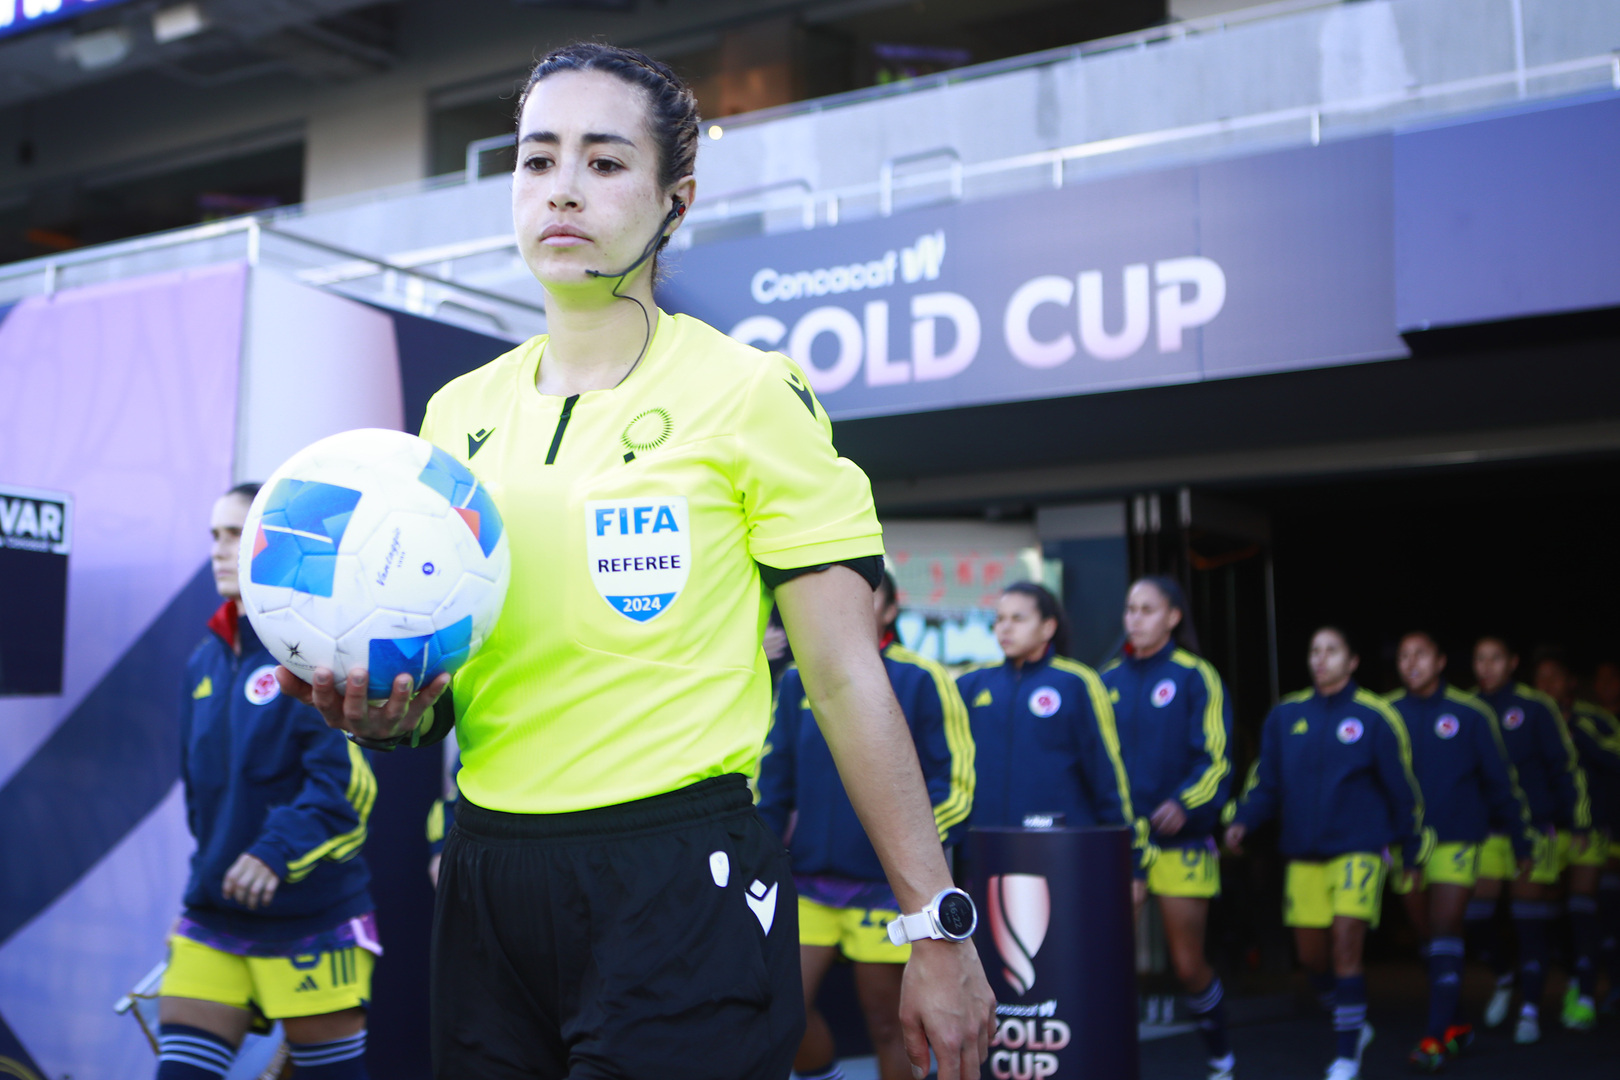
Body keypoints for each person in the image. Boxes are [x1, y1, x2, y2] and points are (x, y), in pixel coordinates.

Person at [276, 42, 995, 1080]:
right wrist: (396, 716)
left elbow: (845, 678)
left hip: (680, 878)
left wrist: (935, 922)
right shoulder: (454, 414)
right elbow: (454, 677)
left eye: (605, 162)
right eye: (537, 160)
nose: (562, 189)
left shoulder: (751, 393)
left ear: (675, 200)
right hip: (487, 877)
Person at [156, 483, 379, 1080]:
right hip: (213, 918)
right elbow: (203, 805)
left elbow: (348, 791)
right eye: (214, 535)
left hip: (313, 919)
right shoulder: (204, 660)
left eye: (235, 534)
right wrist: (205, 881)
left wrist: (274, 852)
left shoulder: (319, 651)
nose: (219, 549)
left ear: (273, 546)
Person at [758, 571, 974, 1080]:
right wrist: (760, 855)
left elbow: (956, 787)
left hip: (887, 890)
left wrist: (901, 853)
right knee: (778, 1009)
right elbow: (773, 784)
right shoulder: (796, 680)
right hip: (809, 885)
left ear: (891, 610)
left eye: (869, 597)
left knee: (889, 1025)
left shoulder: (923, 678)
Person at [1224, 626, 1429, 1080]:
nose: (1320, 658)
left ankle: (1346, 1055)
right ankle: (1351, 1020)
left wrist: (1412, 852)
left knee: (1345, 945)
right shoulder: (1286, 715)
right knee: (1312, 958)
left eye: (1332, 651)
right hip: (1303, 855)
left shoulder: (1375, 715)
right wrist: (1243, 819)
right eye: (1314, 650)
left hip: (1359, 851)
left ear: (1352, 661)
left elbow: (1402, 791)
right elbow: (1266, 782)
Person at [1100, 577, 1234, 1080]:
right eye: (1130, 608)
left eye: (1147, 609)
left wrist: (1185, 802)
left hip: (1183, 844)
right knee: (1110, 966)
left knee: (1187, 965)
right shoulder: (1105, 680)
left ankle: (1222, 1056)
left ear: (1173, 617)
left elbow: (1217, 760)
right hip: (1123, 847)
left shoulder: (1196, 676)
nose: (1134, 618)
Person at [1383, 631, 1536, 1071]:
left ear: (1440, 661)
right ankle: (1457, 1024)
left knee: (1445, 925)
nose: (1411, 662)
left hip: (1457, 840)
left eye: (1421, 654)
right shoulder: (1385, 713)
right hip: (1407, 845)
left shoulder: (1470, 713)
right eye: (1404, 655)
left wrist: (1521, 839)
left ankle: (1434, 1038)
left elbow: (1500, 782)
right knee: (1427, 939)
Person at [955, 582, 1155, 870]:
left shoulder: (1076, 683)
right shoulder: (970, 684)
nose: (1005, 628)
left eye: (1018, 618)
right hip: (983, 852)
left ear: (1048, 627)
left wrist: (1132, 857)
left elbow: (1106, 774)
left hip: (1060, 853)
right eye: (999, 619)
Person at [1466, 636, 1589, 1043]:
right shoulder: (1467, 708)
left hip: (1536, 828)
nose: (1487, 666)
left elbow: (1562, 765)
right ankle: (1506, 976)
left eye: (1495, 658)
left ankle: (1531, 1010)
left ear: (1512, 663)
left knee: (1529, 921)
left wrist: (1578, 821)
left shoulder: (1536, 707)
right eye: (1480, 659)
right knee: (1476, 916)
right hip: (1486, 829)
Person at [1531, 647, 1620, 1032]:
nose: (1546, 684)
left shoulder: (1595, 719)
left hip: (1592, 830)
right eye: (1540, 678)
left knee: (1584, 907)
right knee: (1549, 916)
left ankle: (1586, 995)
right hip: (1548, 831)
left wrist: (1576, 733)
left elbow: (1615, 759)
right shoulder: (1528, 720)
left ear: (1570, 682)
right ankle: (1573, 976)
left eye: (1554, 676)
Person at [1590, 658, 1620, 1013]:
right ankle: (1613, 983)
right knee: (1607, 908)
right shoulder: (1590, 719)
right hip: (1604, 830)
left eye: (1611, 678)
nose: (1605, 684)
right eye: (1600, 679)